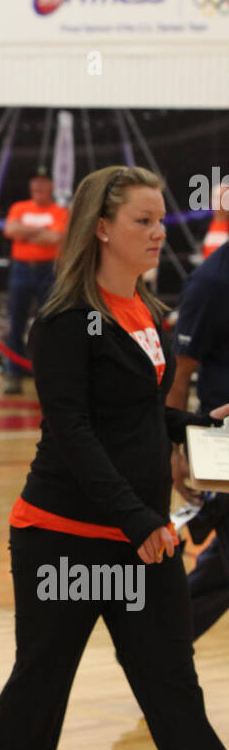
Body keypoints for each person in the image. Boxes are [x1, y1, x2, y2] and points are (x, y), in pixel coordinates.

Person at [0, 165, 229, 750]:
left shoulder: (149, 311)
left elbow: (139, 415)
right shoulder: (63, 319)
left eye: (162, 221)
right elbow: (75, 432)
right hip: (61, 539)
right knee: (41, 683)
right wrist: (141, 518)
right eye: (145, 221)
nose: (159, 233)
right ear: (103, 228)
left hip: (140, 540)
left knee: (175, 694)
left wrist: (197, 427)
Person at [168, 235, 229, 639]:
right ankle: (157, 648)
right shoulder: (213, 282)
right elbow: (181, 369)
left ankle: (156, 647)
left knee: (223, 566)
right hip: (222, 440)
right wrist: (174, 449)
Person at [2, 168, 68, 394]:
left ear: (51, 186)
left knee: (50, 324)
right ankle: (13, 375)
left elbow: (56, 237)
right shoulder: (19, 207)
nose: (38, 187)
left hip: (48, 271)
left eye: (43, 183)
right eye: (35, 182)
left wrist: (26, 232)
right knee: (16, 324)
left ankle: (50, 375)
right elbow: (10, 230)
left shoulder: (60, 211)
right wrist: (41, 232)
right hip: (21, 269)